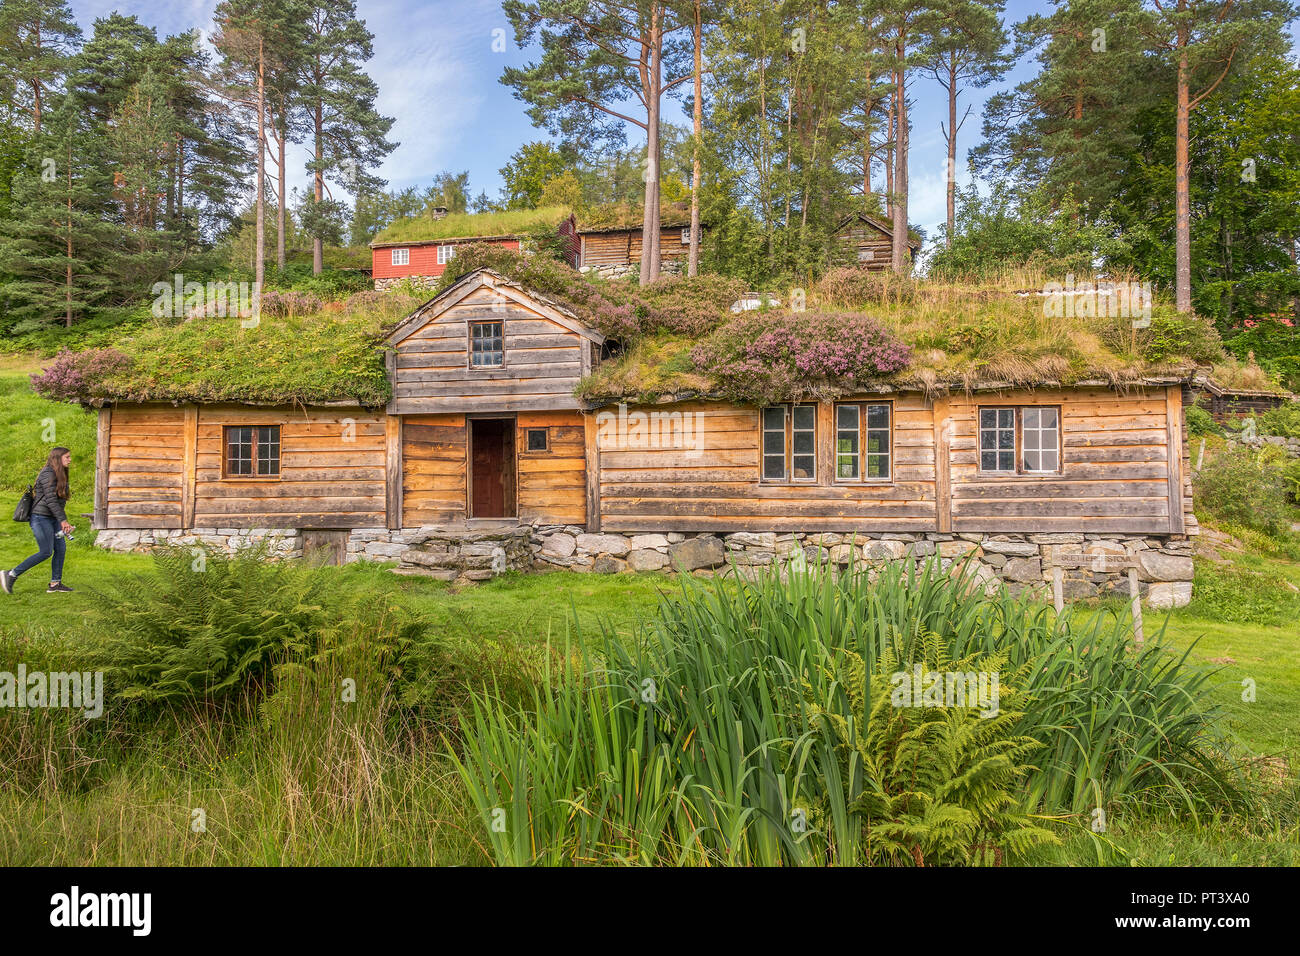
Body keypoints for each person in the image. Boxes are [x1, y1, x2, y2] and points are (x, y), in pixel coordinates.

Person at [1, 446, 76, 594]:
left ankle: (55, 583)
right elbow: (50, 500)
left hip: (53, 518)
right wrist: (63, 521)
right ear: (57, 458)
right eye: (67, 457)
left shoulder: (60, 473)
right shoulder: (48, 474)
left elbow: (59, 502)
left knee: (60, 549)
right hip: (40, 518)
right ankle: (10, 574)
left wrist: (62, 521)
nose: (70, 460)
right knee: (46, 551)